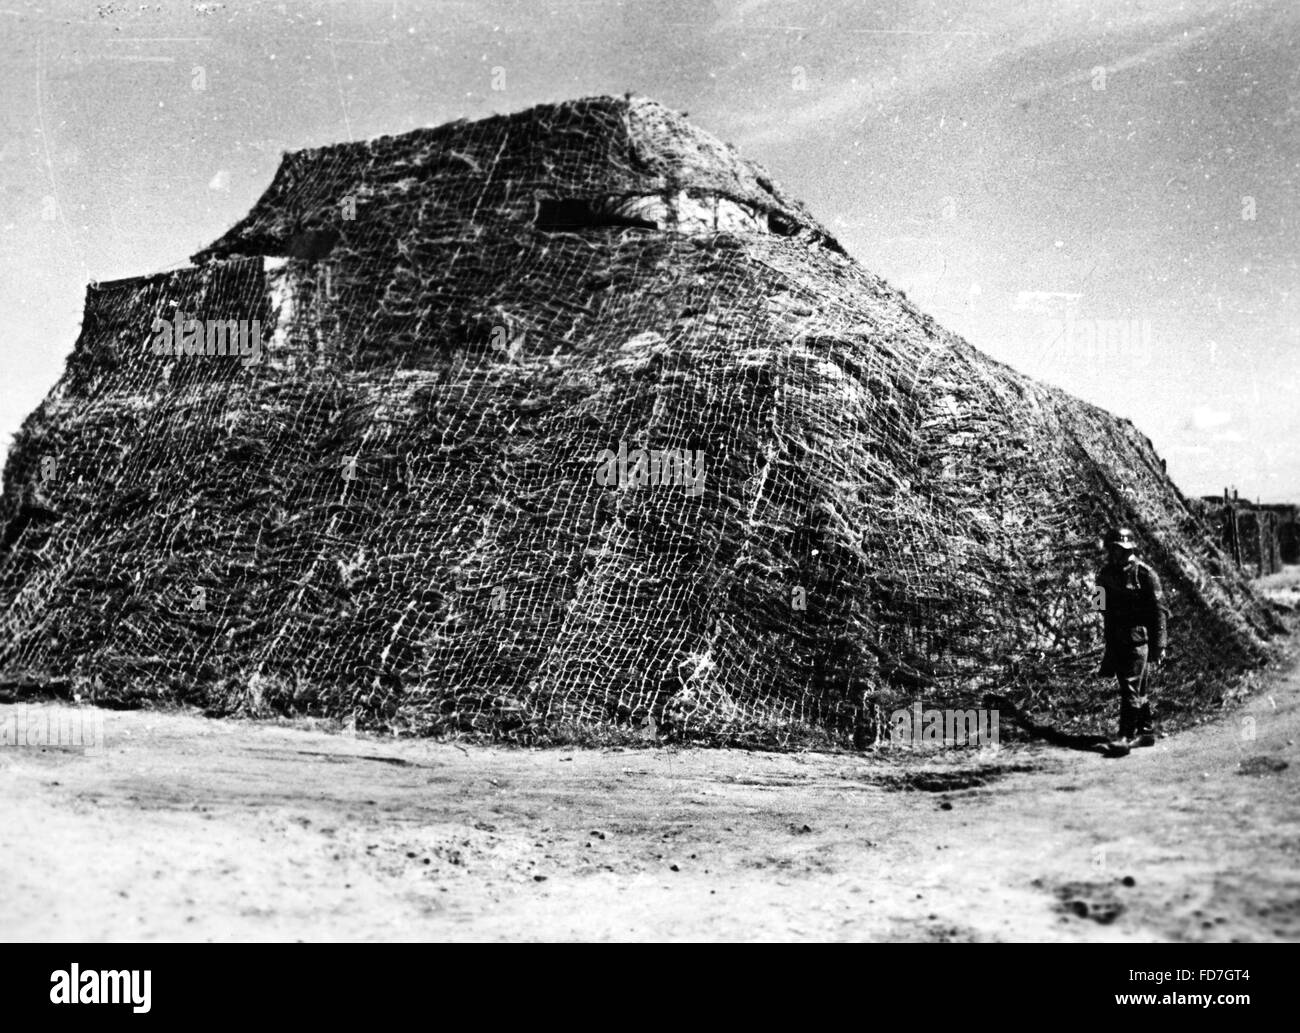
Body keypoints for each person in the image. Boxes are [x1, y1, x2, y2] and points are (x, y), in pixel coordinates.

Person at [1095, 527, 1169, 746]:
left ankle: (1125, 736)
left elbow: (1159, 610)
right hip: (1116, 639)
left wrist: (1160, 644)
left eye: (1122, 550)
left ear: (1132, 549)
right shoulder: (1105, 573)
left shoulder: (1145, 574)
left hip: (1138, 640)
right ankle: (1145, 732)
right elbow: (1099, 605)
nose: (1118, 554)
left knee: (1130, 687)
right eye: (1114, 550)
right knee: (1138, 688)